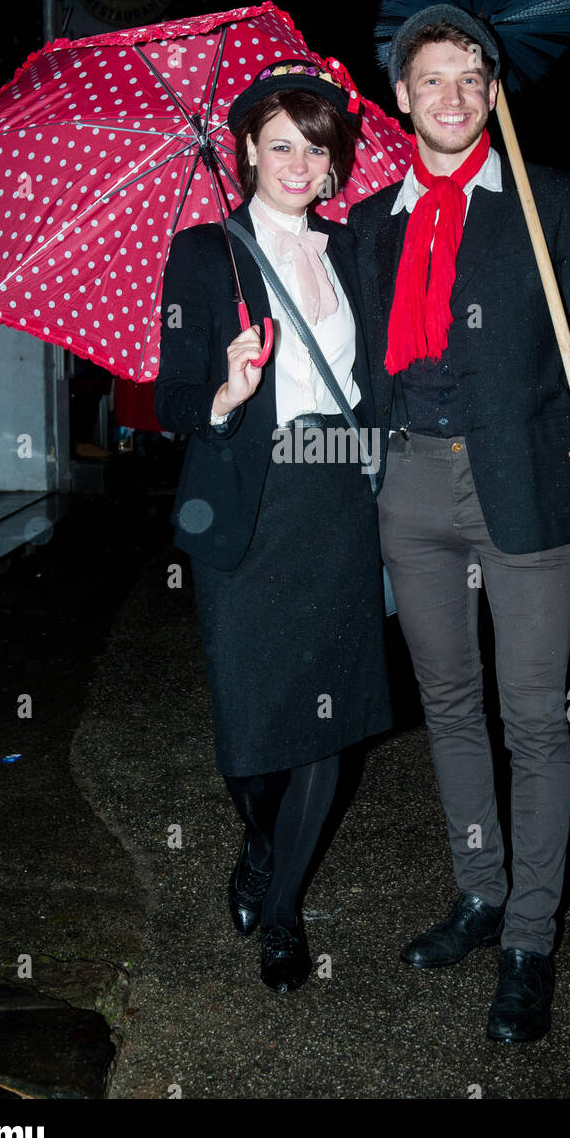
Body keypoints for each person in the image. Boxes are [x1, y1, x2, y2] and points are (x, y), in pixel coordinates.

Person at [347, 10, 570, 1041]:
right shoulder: (373, 221)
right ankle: (476, 890)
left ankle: (527, 938)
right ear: (401, 97)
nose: (453, 97)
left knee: (532, 719)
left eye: (471, 78)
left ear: (492, 91)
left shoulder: (545, 199)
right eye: (432, 80)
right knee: (447, 704)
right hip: (410, 490)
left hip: (522, 484)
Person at [154, 61, 392, 994]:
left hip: (338, 509)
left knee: (328, 729)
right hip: (247, 511)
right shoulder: (205, 256)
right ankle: (260, 840)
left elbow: (387, 375)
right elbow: (173, 397)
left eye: (316, 145)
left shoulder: (356, 250)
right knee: (254, 732)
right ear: (247, 147)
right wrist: (225, 390)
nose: (298, 161)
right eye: (280, 143)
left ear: (335, 163)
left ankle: (285, 909)